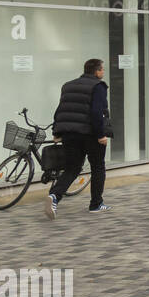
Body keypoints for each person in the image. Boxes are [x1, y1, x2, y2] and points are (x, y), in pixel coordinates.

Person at [45, 57, 113, 218]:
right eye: (102, 69)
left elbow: (61, 109)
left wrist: (57, 132)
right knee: (98, 168)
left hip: (69, 134)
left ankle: (54, 196)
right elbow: (97, 112)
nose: (103, 72)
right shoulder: (98, 86)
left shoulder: (68, 85)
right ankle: (96, 204)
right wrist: (101, 135)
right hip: (90, 134)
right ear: (97, 71)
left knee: (72, 169)